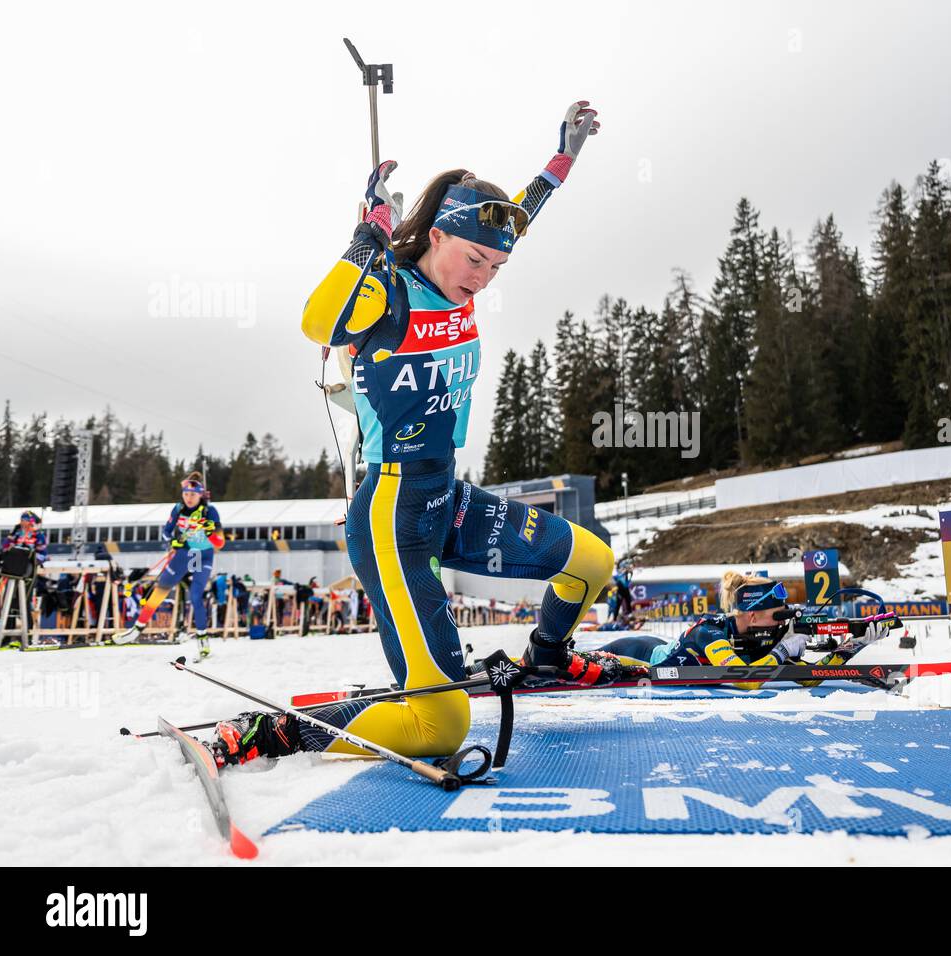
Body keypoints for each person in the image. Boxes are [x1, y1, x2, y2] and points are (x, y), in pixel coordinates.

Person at [206, 100, 622, 769]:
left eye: (495, 268)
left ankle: (547, 659)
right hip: (392, 516)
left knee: (592, 561)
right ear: (434, 236)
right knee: (441, 725)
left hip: (446, 499)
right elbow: (319, 322)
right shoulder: (387, 293)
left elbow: (517, 215)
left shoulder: (465, 278)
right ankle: (277, 732)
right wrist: (368, 233)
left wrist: (562, 160)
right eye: (473, 260)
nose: (481, 278)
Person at [596, 572, 807, 689]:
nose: (781, 623)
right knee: (571, 668)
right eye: (777, 616)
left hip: (657, 647)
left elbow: (811, 677)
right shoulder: (711, 631)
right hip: (636, 655)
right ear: (752, 616)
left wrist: (839, 653)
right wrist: (783, 651)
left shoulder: (758, 636)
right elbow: (746, 680)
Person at [113, 473, 224, 655]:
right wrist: (173, 541)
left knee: (195, 595)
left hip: (199, 556)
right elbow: (166, 532)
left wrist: (209, 531)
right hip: (183, 554)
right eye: (186, 494)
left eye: (193, 495)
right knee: (160, 590)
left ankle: (203, 639)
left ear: (200, 495)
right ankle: (136, 630)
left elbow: (220, 543)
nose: (189, 498)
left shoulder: (209, 512)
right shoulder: (178, 509)